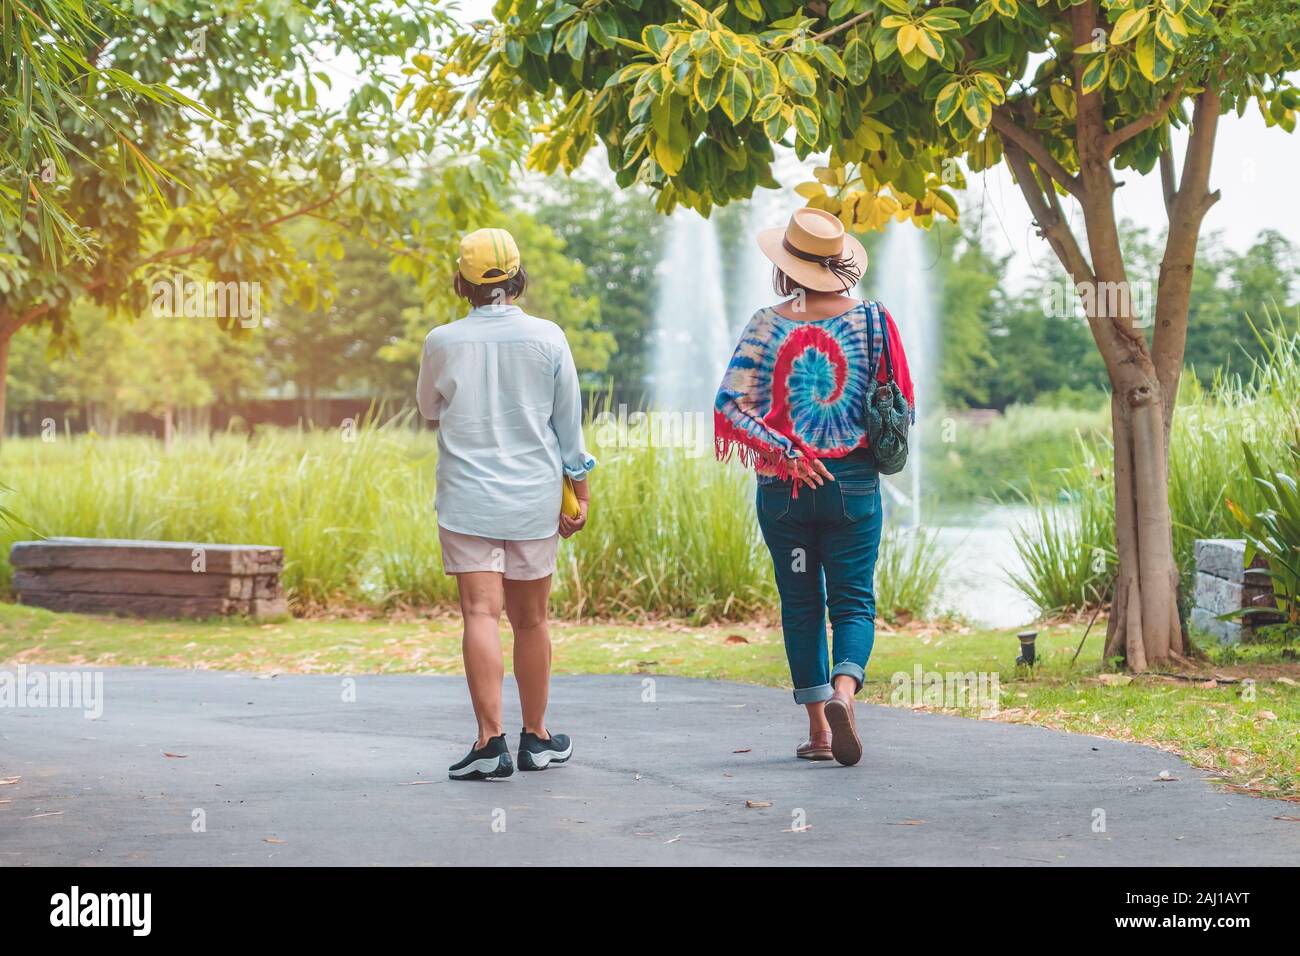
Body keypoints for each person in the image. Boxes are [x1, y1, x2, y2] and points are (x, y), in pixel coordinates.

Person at [714, 208, 914, 767]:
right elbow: (900, 403)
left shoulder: (764, 323)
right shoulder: (874, 320)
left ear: (785, 267)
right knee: (852, 601)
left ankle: (820, 733)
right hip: (852, 484)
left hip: (784, 492)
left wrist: (785, 452)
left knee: (802, 604)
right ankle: (845, 695)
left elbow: (729, 405)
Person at [417, 227, 595, 781]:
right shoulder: (548, 337)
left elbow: (428, 408)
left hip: (468, 495)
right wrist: (580, 490)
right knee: (532, 619)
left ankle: (488, 742)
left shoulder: (441, 341)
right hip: (532, 497)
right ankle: (537, 739)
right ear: (518, 278)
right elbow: (569, 425)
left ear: (462, 282)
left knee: (479, 615)